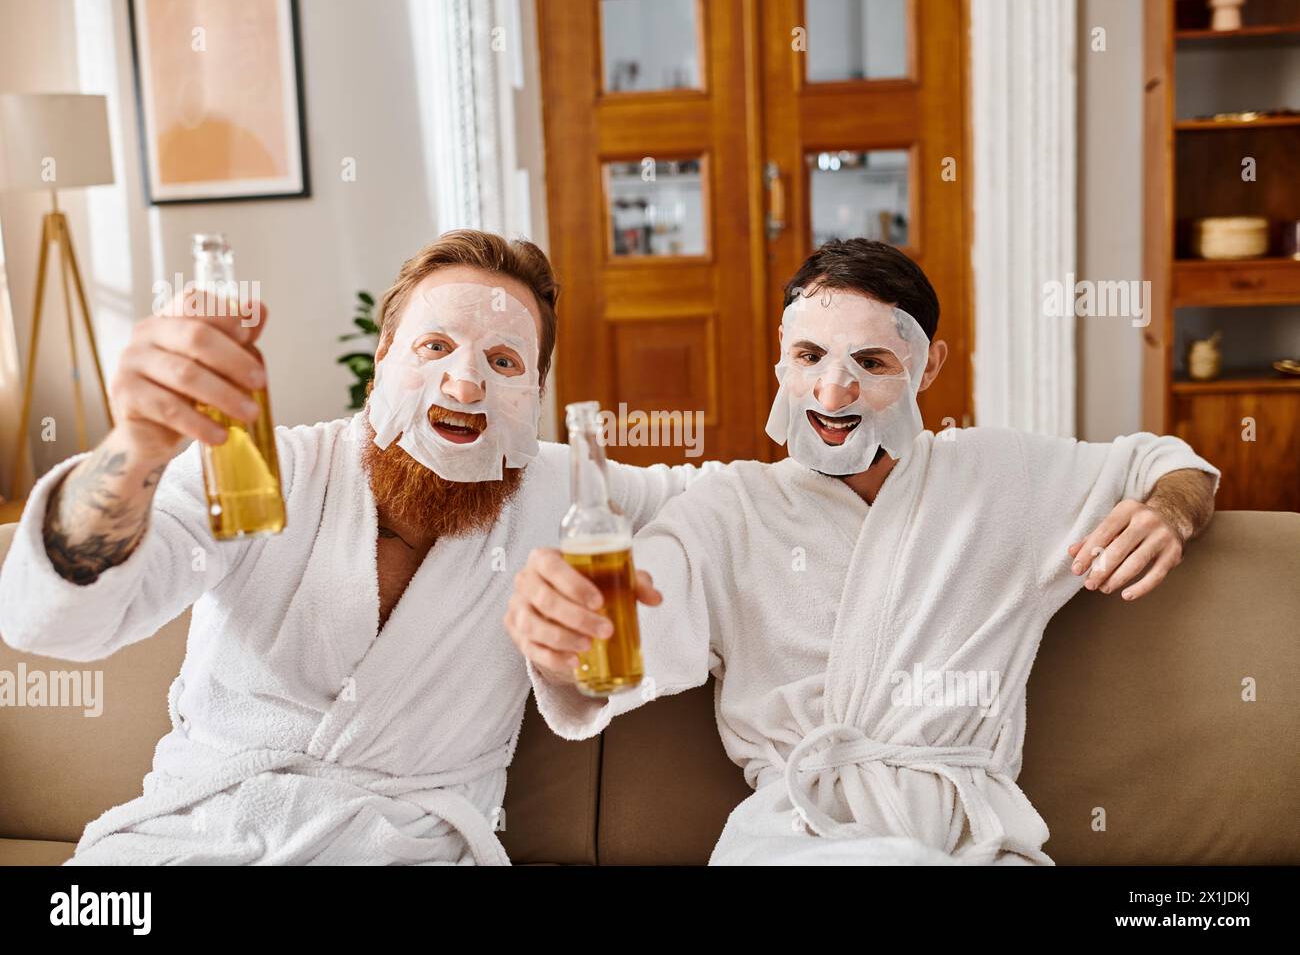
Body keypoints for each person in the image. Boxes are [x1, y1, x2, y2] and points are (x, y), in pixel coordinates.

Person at [0, 229, 713, 865]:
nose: (464, 382)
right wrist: (135, 449)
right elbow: (53, 620)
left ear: (537, 392)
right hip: (194, 838)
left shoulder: (568, 490)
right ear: (382, 359)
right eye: (434, 346)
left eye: (502, 360)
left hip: (414, 849)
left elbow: (737, 505)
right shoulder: (259, 472)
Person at [505, 238, 1220, 865]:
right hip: (796, 839)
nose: (832, 389)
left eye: (870, 362)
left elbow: (1164, 462)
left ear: (927, 367)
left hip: (965, 838)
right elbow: (613, 655)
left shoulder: (1000, 477)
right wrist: (562, 635)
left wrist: (1168, 512)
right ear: (781, 359)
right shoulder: (728, 511)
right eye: (809, 355)